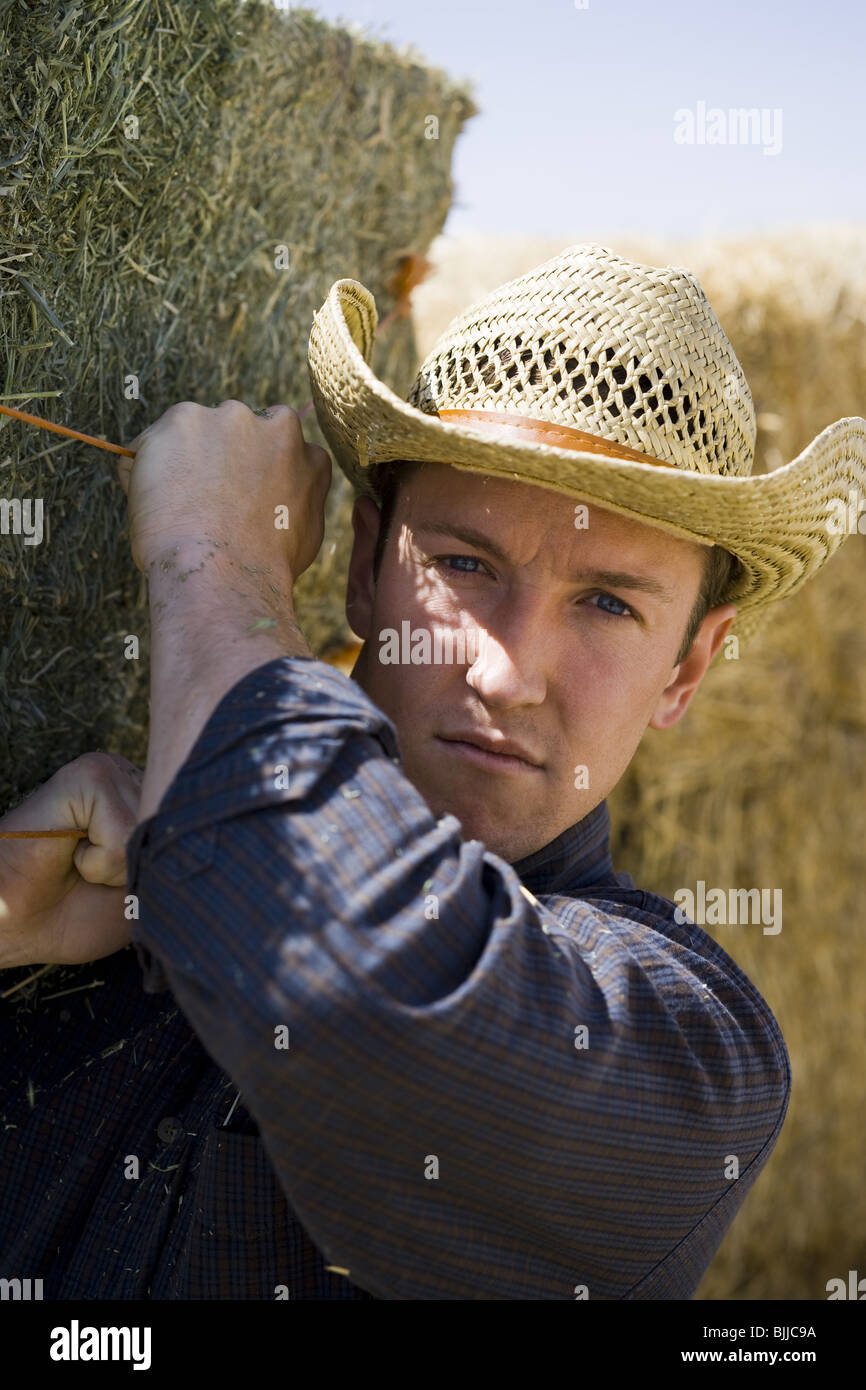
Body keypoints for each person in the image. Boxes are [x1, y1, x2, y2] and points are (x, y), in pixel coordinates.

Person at [1, 243, 863, 1300]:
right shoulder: (113, 906)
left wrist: (215, 562)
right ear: (365, 568)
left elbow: (359, 977)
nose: (506, 672)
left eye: (606, 603)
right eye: (463, 565)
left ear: (685, 667)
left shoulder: (692, 1062)